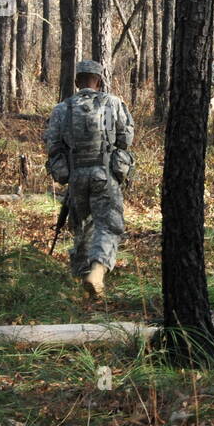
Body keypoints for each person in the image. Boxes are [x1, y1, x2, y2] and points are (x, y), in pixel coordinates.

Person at [44, 60, 135, 298]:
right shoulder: (113, 104)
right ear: (99, 80)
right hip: (103, 174)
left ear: (77, 82)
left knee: (81, 226)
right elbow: (126, 138)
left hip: (76, 176)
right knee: (109, 225)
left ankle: (81, 281)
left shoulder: (62, 109)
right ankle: (96, 270)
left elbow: (53, 146)